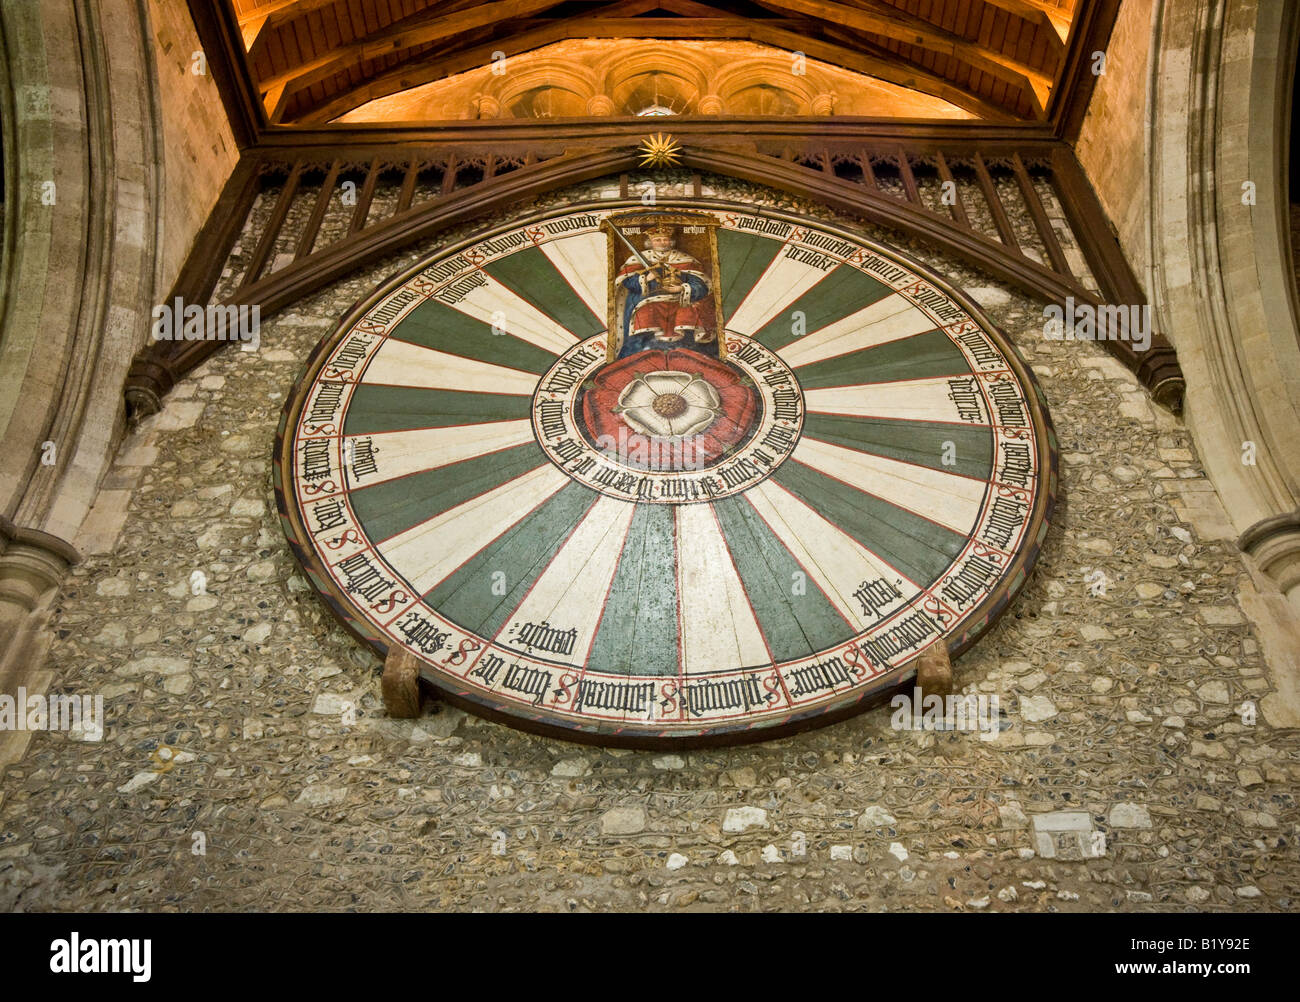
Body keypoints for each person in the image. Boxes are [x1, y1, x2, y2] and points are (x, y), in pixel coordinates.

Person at [615, 223, 716, 358]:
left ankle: (688, 354)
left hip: (680, 299)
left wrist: (682, 288)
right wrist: (646, 278)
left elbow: (700, 284)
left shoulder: (684, 259)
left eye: (665, 239)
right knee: (644, 313)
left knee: (690, 313)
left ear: (671, 242)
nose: (662, 243)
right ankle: (640, 354)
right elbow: (627, 282)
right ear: (650, 242)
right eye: (657, 240)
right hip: (647, 300)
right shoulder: (638, 259)